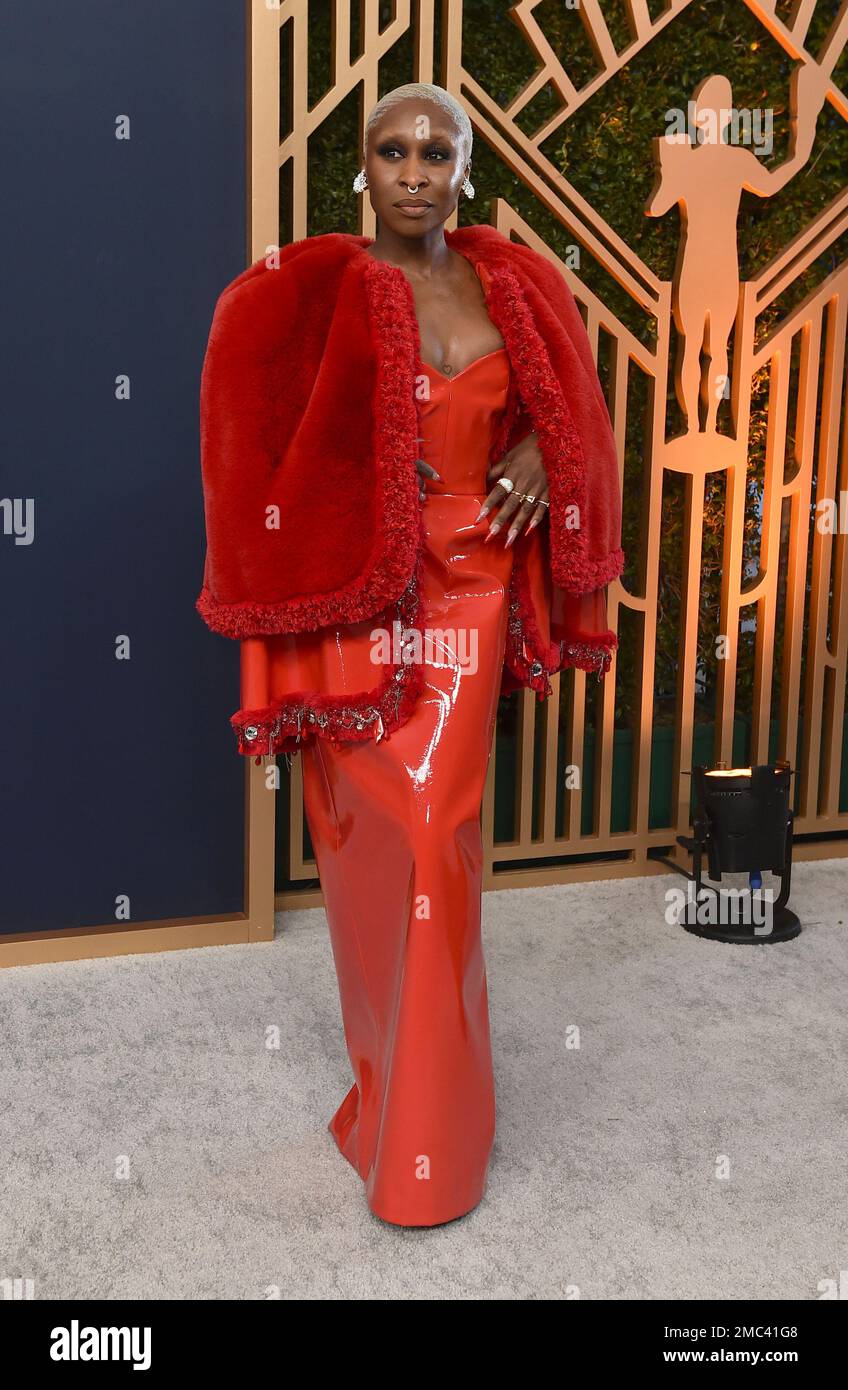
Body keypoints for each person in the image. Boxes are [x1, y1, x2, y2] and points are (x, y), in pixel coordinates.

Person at [196, 82, 624, 1227]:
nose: (415, 169)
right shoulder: (312, 289)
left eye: (438, 150)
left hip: (474, 586)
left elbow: (574, 411)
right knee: (370, 854)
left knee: (440, 844)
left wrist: (541, 446)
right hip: (359, 593)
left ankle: (435, 1139)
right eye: (393, 149)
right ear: (363, 167)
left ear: (466, 168)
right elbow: (252, 447)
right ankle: (392, 1106)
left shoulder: (513, 282)